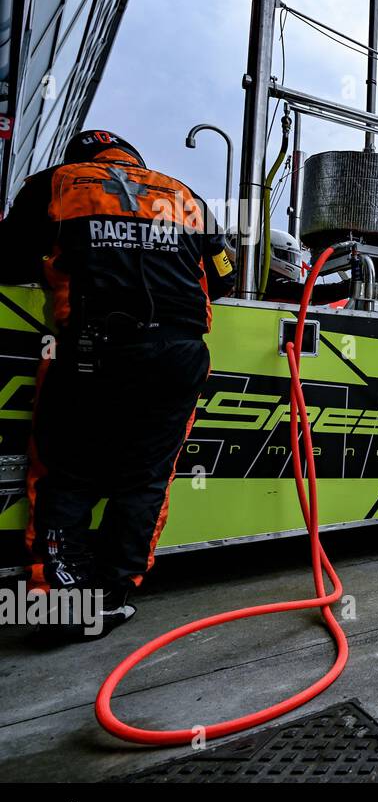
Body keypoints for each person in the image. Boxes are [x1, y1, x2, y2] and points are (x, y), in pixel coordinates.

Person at [0, 130, 236, 637]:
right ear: (136, 159)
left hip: (92, 346)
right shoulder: (182, 192)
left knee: (67, 475)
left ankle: (62, 600)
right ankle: (114, 592)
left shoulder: (56, 182)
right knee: (147, 478)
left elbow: (9, 258)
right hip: (178, 353)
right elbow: (225, 275)